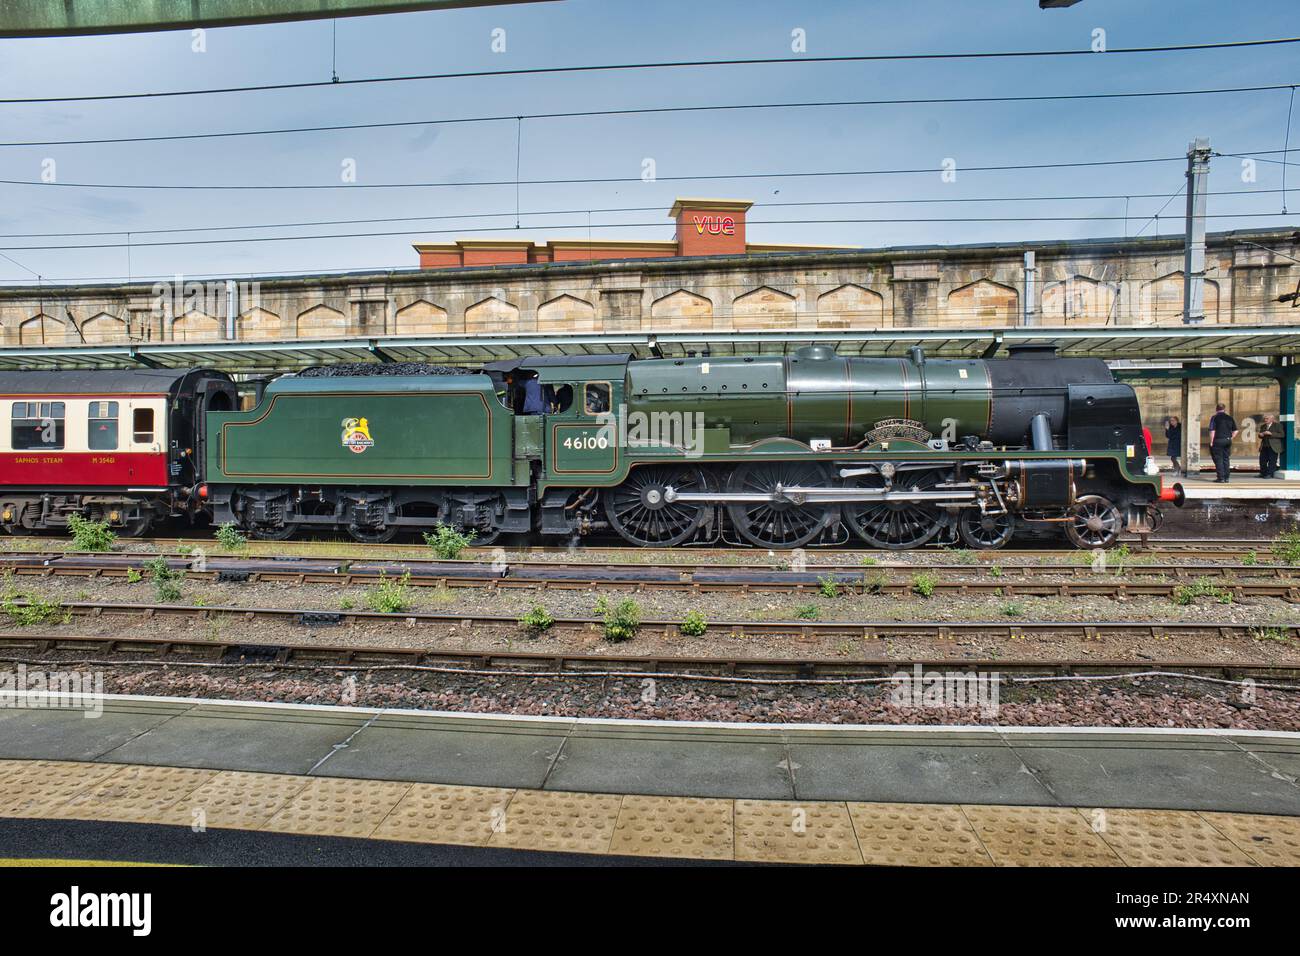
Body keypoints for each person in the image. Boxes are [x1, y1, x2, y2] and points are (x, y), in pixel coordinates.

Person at [1208, 403, 1238, 483]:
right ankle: (1227, 478)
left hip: (1218, 440)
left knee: (1218, 459)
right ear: (1224, 409)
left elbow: (1212, 431)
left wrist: (1211, 441)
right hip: (1227, 440)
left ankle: (1221, 478)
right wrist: (1230, 438)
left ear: (1216, 409)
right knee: (1226, 459)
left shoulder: (1214, 418)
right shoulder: (1230, 418)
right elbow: (1235, 431)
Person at [1259, 413, 1281, 478]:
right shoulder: (1263, 426)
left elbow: (1282, 434)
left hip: (1273, 446)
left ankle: (1270, 474)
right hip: (1264, 446)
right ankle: (1263, 473)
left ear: (1272, 419)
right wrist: (1260, 435)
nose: (1265, 420)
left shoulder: (1278, 426)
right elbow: (1260, 435)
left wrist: (1271, 433)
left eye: (1267, 418)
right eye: (1265, 418)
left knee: (1272, 461)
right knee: (1262, 460)